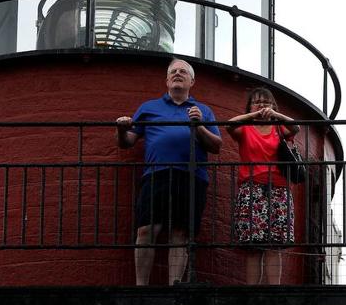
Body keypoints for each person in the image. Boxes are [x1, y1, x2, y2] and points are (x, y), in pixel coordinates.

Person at [116, 59, 223, 285]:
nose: (177, 73)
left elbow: (216, 146)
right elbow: (127, 142)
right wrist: (121, 130)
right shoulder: (148, 107)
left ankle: (175, 285)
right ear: (166, 80)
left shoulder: (203, 110)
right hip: (156, 174)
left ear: (192, 81)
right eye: (173, 71)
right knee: (146, 230)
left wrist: (199, 125)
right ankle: (141, 287)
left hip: (191, 177)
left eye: (183, 71)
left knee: (181, 233)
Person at [225, 87, 299, 285]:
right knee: (253, 245)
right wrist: (254, 115)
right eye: (256, 102)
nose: (262, 106)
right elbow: (229, 125)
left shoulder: (278, 128)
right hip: (251, 189)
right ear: (249, 106)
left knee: (275, 245)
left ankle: (274, 290)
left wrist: (275, 115)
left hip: (279, 189)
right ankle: (252, 292)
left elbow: (296, 127)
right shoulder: (245, 129)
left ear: (274, 106)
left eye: (266, 102)